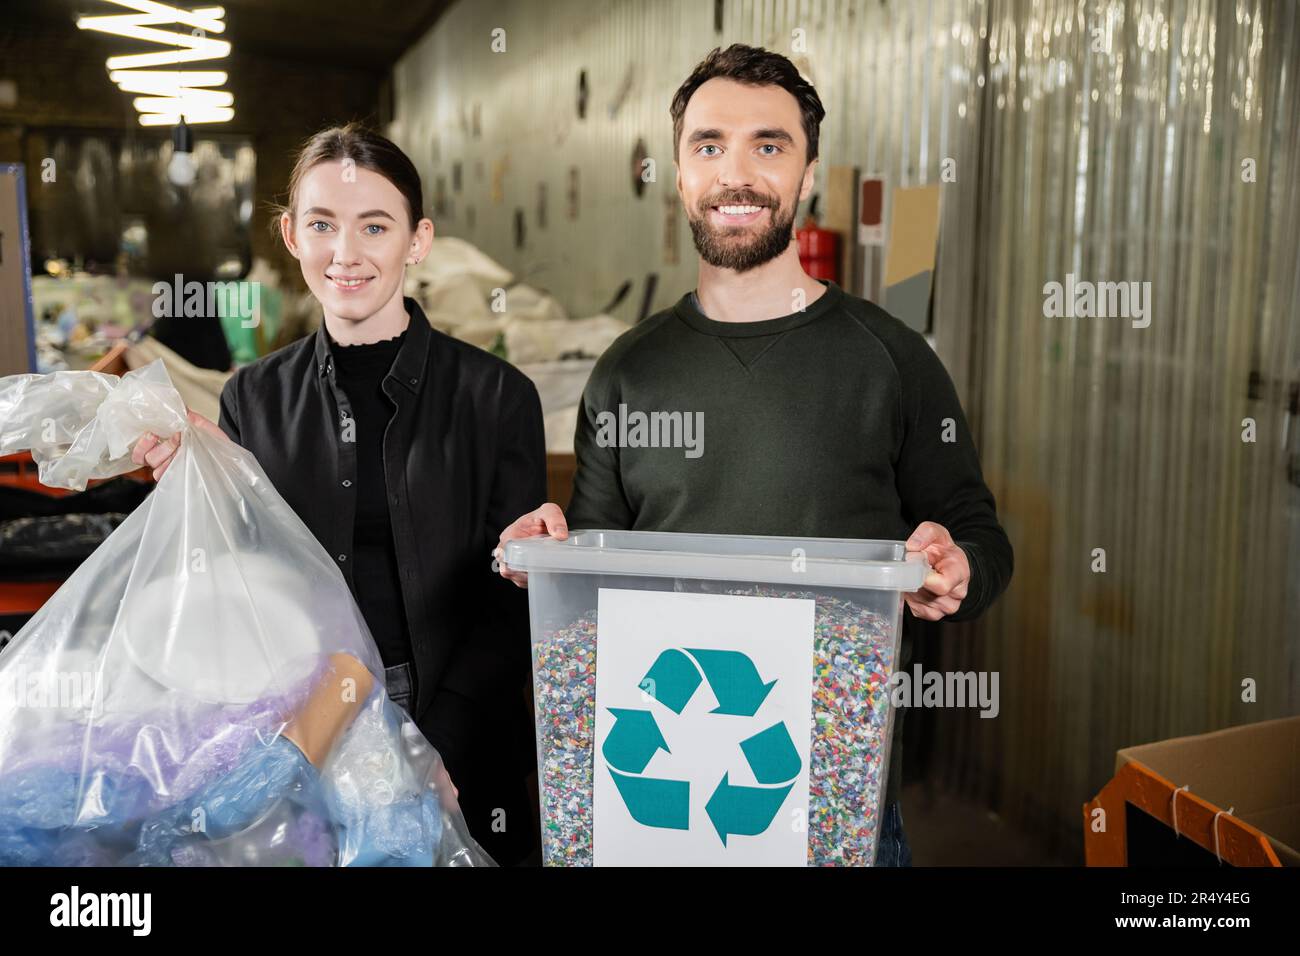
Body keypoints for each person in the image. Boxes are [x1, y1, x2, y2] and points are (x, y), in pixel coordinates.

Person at [497, 45, 1014, 867]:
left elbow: (981, 542)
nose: (736, 174)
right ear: (677, 173)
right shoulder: (628, 373)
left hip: (836, 796)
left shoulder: (890, 359)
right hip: (661, 794)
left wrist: (955, 570)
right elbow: (593, 571)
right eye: (709, 146)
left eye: (769, 146)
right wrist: (550, 555)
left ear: (809, 173)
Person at [133, 124, 546, 866]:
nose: (345, 254)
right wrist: (197, 489)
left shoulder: (496, 398)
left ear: (416, 241)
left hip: (463, 739)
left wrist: (434, 750)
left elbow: (511, 596)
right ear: (292, 235)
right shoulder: (253, 399)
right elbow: (243, 591)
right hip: (305, 737)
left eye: (375, 226)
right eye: (322, 224)